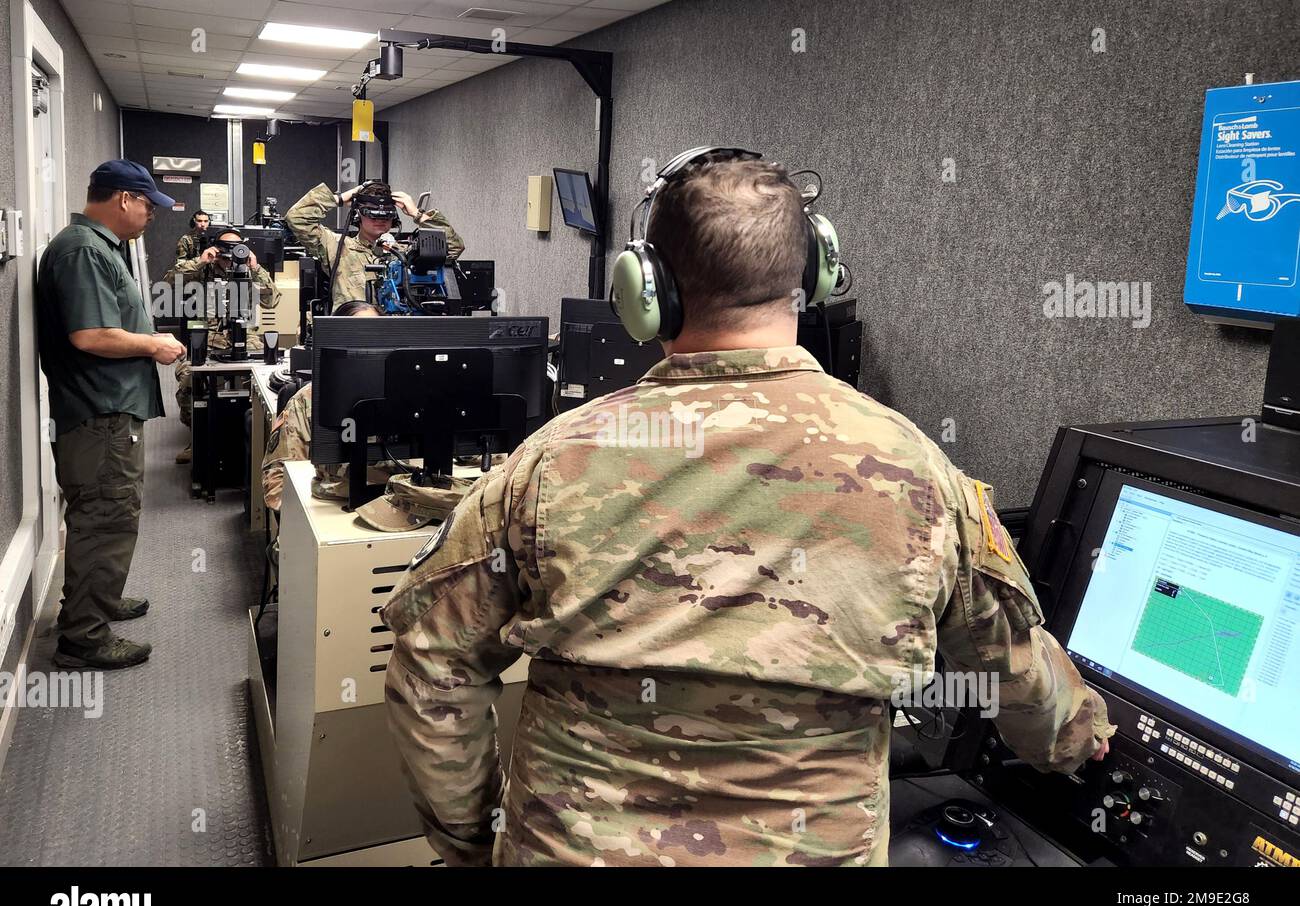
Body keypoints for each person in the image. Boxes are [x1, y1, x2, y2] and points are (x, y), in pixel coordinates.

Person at [380, 152, 1115, 866]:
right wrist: (1078, 737)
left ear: (646, 289)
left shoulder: (548, 464)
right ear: (815, 278)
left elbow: (432, 669)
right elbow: (1013, 671)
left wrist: (475, 839)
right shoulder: (917, 470)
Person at [36, 159, 187, 669]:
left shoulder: (99, 247)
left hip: (104, 412)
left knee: (100, 517)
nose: (151, 216)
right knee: (106, 519)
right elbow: (91, 336)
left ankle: (90, 603)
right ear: (123, 199)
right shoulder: (82, 251)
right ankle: (84, 639)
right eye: (147, 205)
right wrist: (154, 345)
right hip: (99, 415)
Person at [166, 228, 282, 463]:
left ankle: (259, 438)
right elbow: (170, 282)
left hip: (245, 336)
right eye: (225, 249)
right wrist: (200, 262)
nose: (230, 256)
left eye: (236, 248)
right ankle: (197, 436)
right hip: (208, 337)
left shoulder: (249, 271)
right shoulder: (203, 270)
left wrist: (255, 268)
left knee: (269, 377)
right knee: (189, 377)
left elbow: (273, 300)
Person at [260, 300, 382, 512]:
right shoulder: (307, 400)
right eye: (357, 335)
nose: (366, 344)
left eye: (374, 334)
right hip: (328, 509)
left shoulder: (402, 394)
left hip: (392, 505)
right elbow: (277, 481)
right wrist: (309, 519)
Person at [285, 180, 464, 308]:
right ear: (358, 215)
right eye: (372, 214)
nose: (380, 219)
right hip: (355, 334)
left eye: (386, 215)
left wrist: (417, 214)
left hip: (400, 334)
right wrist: (340, 199)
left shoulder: (405, 253)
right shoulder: (337, 247)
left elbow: (454, 246)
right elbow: (297, 218)